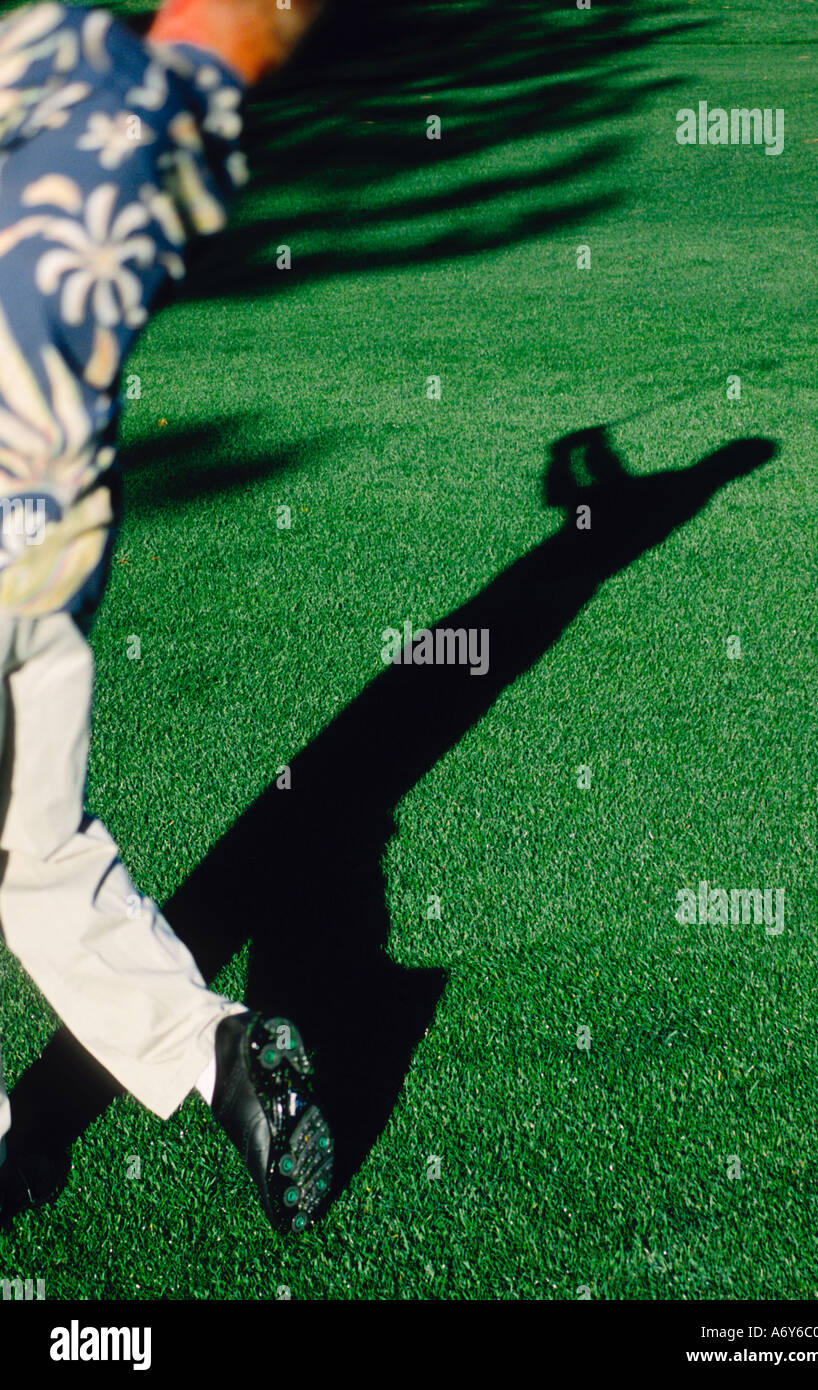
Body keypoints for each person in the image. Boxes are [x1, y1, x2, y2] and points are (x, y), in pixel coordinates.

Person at [0, 0, 331, 1235]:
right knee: (41, 854)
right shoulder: (160, 126)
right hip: (59, 537)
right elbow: (229, 28)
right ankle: (222, 1053)